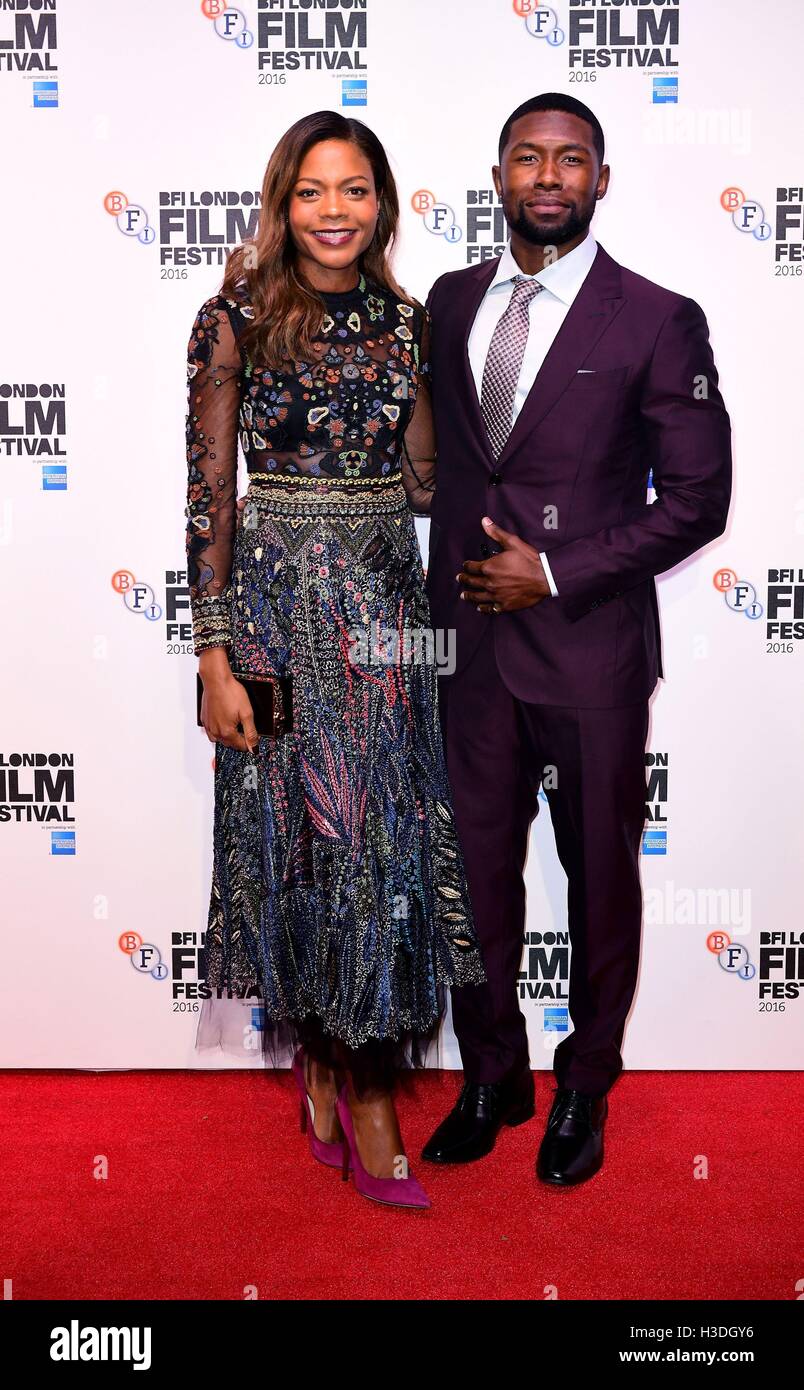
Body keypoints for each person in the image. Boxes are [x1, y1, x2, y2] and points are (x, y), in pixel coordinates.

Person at [420, 93, 732, 1185]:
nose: (547, 176)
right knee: (472, 878)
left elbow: (698, 499)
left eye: (570, 160)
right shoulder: (450, 302)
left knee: (599, 879)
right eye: (526, 157)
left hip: (590, 652)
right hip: (461, 652)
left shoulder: (655, 317)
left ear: (601, 181)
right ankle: (493, 1073)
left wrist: (552, 568)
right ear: (498, 174)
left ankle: (584, 1085)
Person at [185, 110, 485, 1210]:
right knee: (296, 846)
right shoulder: (234, 321)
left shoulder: (410, 328)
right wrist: (214, 657)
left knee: (378, 844)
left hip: (385, 618)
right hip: (267, 612)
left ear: (383, 204)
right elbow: (209, 499)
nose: (333, 211)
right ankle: (343, 1084)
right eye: (313, 190)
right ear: (283, 201)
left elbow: (419, 484)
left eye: (354, 190)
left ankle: (350, 1078)